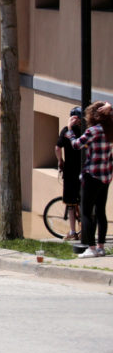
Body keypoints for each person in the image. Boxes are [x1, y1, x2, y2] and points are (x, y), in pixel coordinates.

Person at [65, 101, 113, 258]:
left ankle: (91, 248)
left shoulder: (93, 131)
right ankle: (100, 247)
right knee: (101, 212)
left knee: (86, 212)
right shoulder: (109, 130)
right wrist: (109, 106)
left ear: (92, 116)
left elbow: (77, 145)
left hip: (91, 176)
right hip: (106, 177)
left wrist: (70, 130)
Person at [55, 107, 84, 241]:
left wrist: (60, 161)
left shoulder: (67, 131)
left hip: (70, 172)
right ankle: (84, 230)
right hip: (84, 171)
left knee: (71, 204)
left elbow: (57, 148)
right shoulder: (86, 131)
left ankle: (72, 232)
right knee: (84, 201)